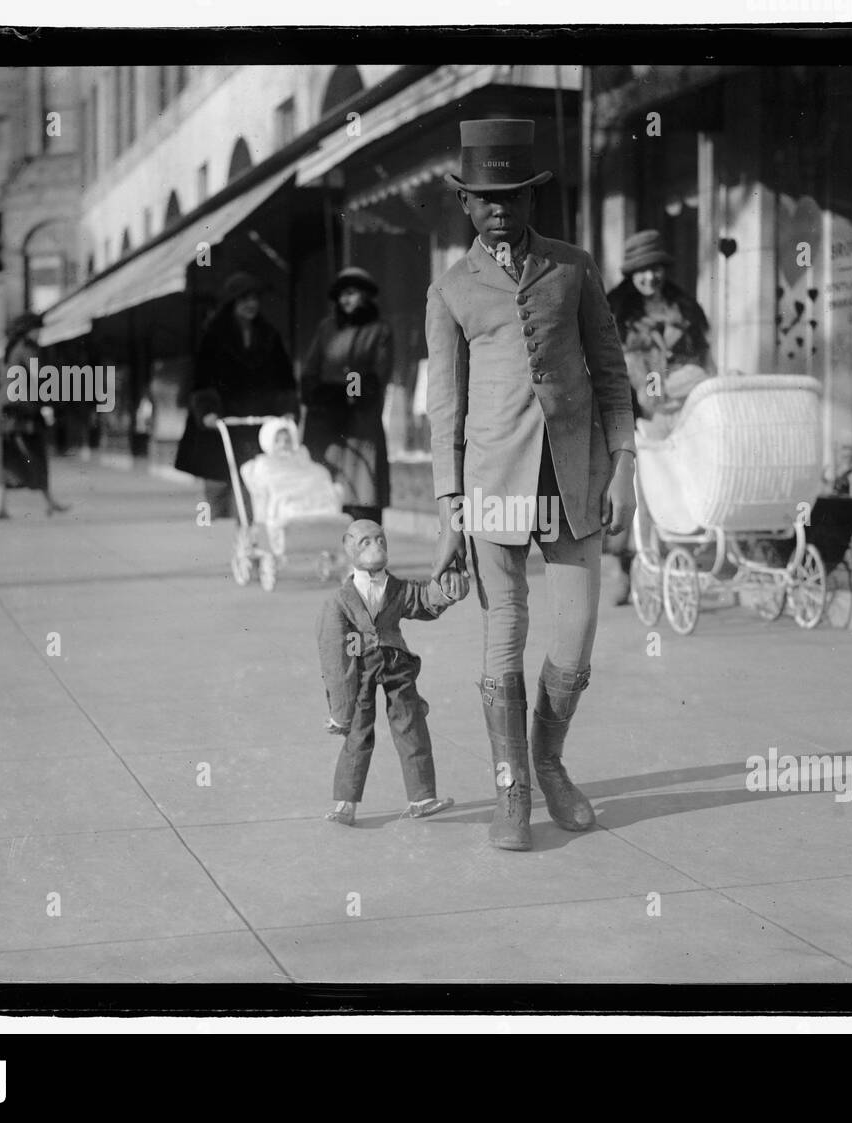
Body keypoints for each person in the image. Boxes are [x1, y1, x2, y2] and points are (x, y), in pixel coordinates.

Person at [426, 118, 637, 852]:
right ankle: (511, 786)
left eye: (512, 195)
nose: (500, 210)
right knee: (504, 631)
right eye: (485, 198)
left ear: (530, 196)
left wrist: (625, 465)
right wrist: (452, 508)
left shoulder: (574, 268)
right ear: (464, 204)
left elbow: (612, 375)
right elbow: (444, 408)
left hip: (575, 477)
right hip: (493, 485)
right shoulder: (451, 290)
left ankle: (549, 758)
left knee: (575, 640)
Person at [316, 519, 468, 827]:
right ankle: (346, 803)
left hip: (398, 665)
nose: (377, 546)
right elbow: (334, 656)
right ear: (347, 546)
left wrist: (447, 591)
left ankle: (422, 797)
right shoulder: (339, 601)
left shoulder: (398, 588)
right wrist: (338, 711)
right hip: (359, 669)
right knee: (357, 732)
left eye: (381, 540)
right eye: (366, 542)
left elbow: (425, 601)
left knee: (411, 724)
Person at [604, 230, 715, 604]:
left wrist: (695, 386)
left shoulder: (683, 308)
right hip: (638, 414)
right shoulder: (617, 312)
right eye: (641, 271)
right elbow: (611, 367)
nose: (650, 278)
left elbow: (702, 359)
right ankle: (628, 566)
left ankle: (673, 563)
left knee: (679, 484)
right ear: (631, 274)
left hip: (682, 412)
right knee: (640, 488)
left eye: (655, 270)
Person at [174, 271, 300, 518]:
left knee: (253, 485)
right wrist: (207, 410)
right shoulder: (213, 336)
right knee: (218, 483)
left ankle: (247, 543)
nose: (251, 304)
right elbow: (201, 378)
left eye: (254, 298)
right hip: (221, 422)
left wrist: (286, 408)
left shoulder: (269, 336)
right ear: (232, 302)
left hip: (255, 422)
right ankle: (217, 545)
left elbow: (283, 378)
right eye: (244, 299)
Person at [300, 267, 393, 526]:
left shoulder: (379, 330)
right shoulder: (326, 328)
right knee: (330, 494)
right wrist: (321, 396)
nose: (346, 300)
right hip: (328, 424)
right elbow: (311, 369)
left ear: (365, 295)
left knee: (364, 494)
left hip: (361, 422)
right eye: (342, 295)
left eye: (351, 293)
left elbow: (379, 372)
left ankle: (367, 556)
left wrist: (351, 393)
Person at [0, 311, 69, 520]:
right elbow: (40, 377)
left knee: (5, 458)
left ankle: (0, 506)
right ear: (29, 331)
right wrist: (47, 404)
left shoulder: (11, 349)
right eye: (38, 329)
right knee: (36, 454)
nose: (40, 333)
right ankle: (50, 503)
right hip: (22, 410)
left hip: (3, 408)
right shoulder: (29, 349)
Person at [239, 417, 341, 556]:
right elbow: (268, 482)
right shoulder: (264, 464)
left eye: (287, 441)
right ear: (268, 442)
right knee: (288, 504)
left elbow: (316, 475)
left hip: (305, 496)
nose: (283, 445)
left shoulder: (300, 459)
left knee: (323, 483)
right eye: (277, 441)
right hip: (283, 500)